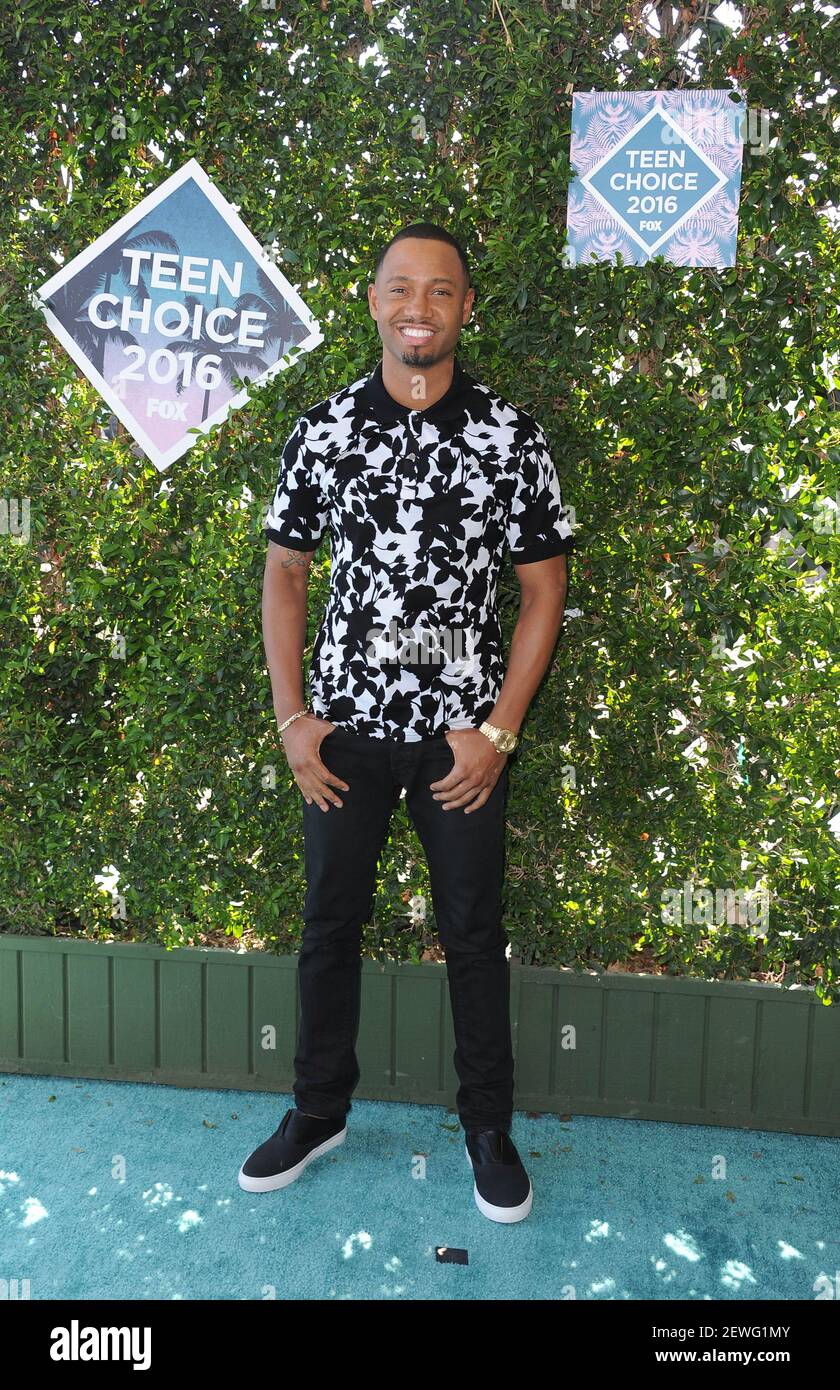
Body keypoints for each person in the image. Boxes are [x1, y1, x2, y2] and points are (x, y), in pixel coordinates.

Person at [238, 223, 576, 1222]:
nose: (418, 308)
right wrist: (294, 718)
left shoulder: (511, 436)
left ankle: (487, 1127)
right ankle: (317, 1110)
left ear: (467, 306)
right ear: (374, 301)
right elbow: (286, 573)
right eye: (400, 289)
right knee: (327, 925)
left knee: (473, 934)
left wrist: (499, 731)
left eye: (440, 290)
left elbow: (544, 590)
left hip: (460, 741)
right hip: (342, 735)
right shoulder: (324, 427)